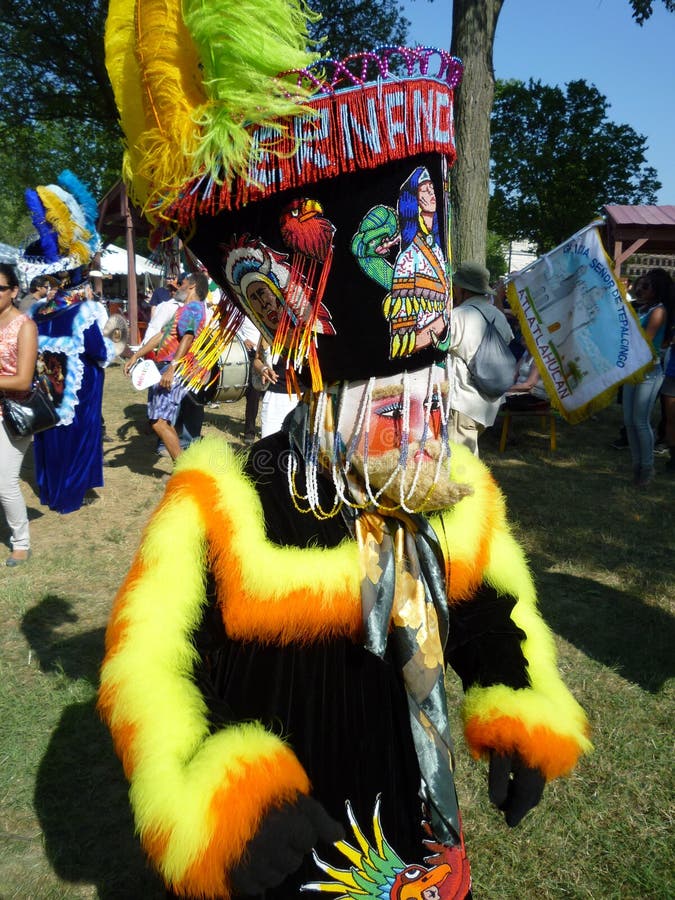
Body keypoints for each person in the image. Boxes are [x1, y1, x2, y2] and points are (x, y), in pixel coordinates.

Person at [99, 15, 590, 899]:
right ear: (332, 397)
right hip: (305, 860)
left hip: (424, 847)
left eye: (434, 392)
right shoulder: (227, 507)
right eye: (403, 400)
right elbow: (148, 672)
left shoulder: (443, 490)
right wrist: (225, 804)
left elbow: (484, 609)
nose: (431, 423)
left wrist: (515, 703)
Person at [123, 272, 209, 460]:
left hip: (174, 368)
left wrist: (172, 368)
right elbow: (161, 335)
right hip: (166, 366)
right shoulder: (183, 309)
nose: (178, 285)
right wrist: (136, 355)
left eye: (183, 282)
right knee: (160, 421)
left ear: (193, 286)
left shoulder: (193, 308)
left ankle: (183, 469)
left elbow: (188, 336)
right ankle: (183, 465)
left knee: (159, 421)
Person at [446, 262, 514, 455]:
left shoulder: (458, 316)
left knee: (461, 467)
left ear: (462, 288)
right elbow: (508, 340)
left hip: (463, 401)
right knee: (467, 459)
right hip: (488, 403)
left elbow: (438, 349)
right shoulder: (499, 316)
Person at [0, 263, 38, 566]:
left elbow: (23, 380)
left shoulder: (25, 326)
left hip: (13, 414)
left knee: (5, 481)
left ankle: (21, 542)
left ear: (13, 291)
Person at [622, 271, 668, 487]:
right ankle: (637, 467)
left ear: (656, 289)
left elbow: (644, 340)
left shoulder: (658, 311)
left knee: (640, 421)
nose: (640, 289)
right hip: (633, 370)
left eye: (645, 286)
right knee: (630, 422)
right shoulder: (640, 309)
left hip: (649, 372)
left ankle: (647, 469)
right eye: (639, 285)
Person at [238, 315, 262, 443]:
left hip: (268, 354)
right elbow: (232, 325)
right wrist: (243, 339)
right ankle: (249, 433)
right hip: (251, 354)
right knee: (253, 394)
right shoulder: (244, 310)